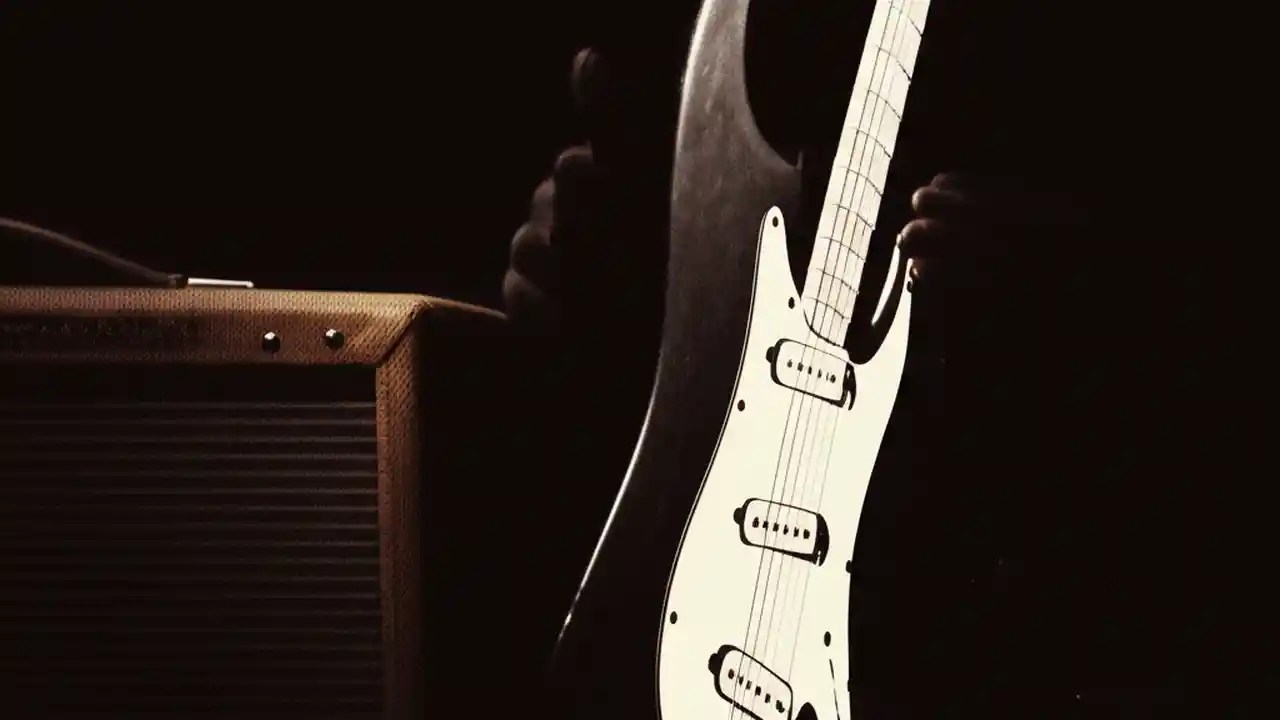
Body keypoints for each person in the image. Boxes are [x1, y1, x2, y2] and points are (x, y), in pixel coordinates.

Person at [494, 3, 1230, 715]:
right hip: (683, 610)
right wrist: (600, 273)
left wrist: (1114, 302)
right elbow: (633, 226)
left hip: (1016, 618)